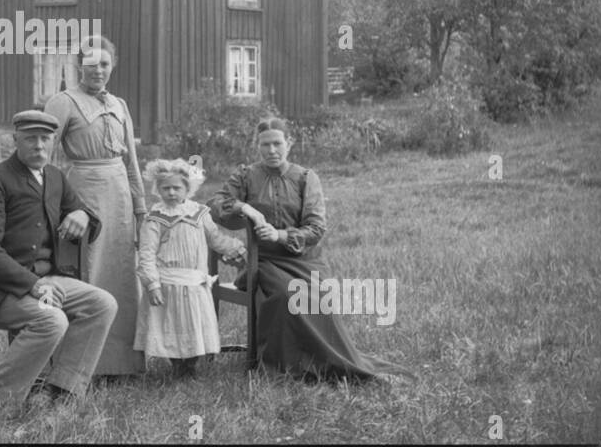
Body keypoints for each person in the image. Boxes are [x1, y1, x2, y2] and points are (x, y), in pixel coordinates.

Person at [208, 117, 408, 381]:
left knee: (319, 294)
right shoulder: (246, 175)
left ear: (289, 143)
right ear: (257, 146)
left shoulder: (305, 178)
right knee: (283, 295)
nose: (271, 150)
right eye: (265, 145)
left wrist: (279, 234)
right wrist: (246, 208)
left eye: (277, 143)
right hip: (263, 261)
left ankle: (320, 361)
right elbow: (217, 203)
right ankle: (285, 366)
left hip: (303, 260)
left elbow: (316, 228)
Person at [0, 110, 119, 406]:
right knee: (51, 319)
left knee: (102, 304)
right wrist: (34, 285)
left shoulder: (55, 177)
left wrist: (81, 213)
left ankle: (60, 392)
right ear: (15, 140)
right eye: (30, 138)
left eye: (45, 139)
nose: (38, 146)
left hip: (48, 280)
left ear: (53, 142)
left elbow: (90, 220)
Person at [42, 36, 146, 377]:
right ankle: (81, 366)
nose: (98, 70)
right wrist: (56, 206)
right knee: (88, 272)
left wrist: (140, 210)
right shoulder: (63, 102)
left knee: (122, 275)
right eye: (91, 63)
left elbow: (131, 161)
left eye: (104, 63)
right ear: (79, 66)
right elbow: (46, 159)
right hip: (82, 196)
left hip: (119, 200)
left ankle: (122, 365)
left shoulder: (120, 105)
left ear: (112, 66)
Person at [135, 159, 246, 378]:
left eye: (177, 188)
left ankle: (191, 366)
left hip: (195, 284)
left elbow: (215, 239)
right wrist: (152, 284)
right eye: (166, 188)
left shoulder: (199, 214)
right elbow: (146, 254)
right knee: (173, 328)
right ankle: (177, 366)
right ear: (157, 190)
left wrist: (237, 249)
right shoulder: (155, 219)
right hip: (169, 284)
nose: (172, 193)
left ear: (188, 188)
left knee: (195, 327)